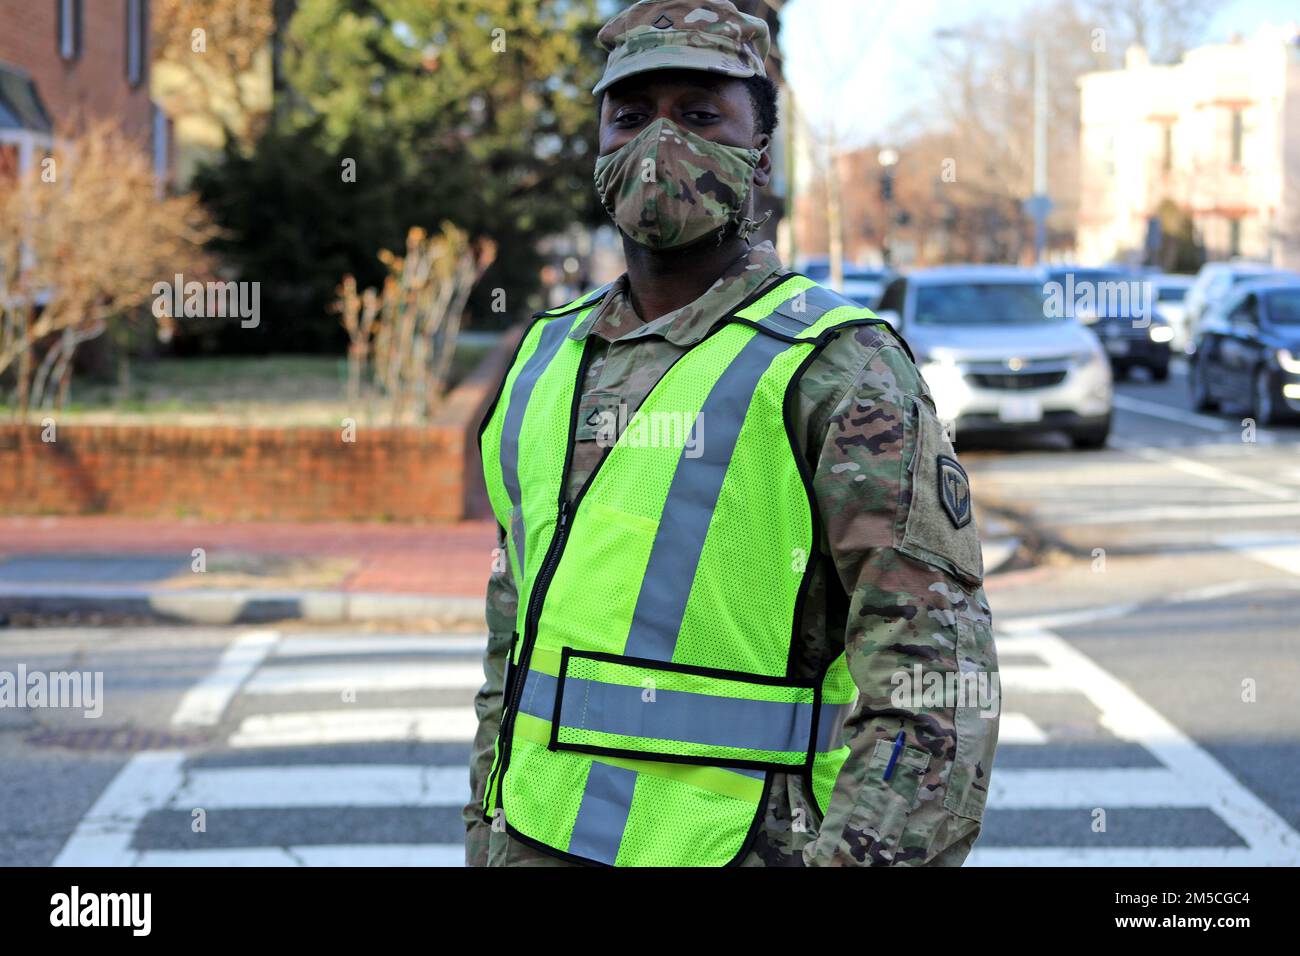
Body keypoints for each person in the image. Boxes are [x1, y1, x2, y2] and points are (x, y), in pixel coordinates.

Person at [464, 0, 998, 867]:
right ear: (598, 147)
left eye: (700, 113)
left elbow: (935, 684)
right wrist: (483, 834)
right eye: (630, 116)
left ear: (758, 154)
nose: (658, 142)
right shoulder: (544, 356)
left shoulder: (838, 365)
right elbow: (511, 644)